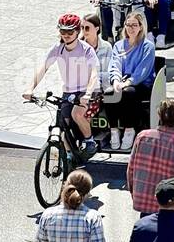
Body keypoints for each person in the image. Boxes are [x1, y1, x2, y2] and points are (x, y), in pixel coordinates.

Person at [23, 13, 101, 159]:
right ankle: (69, 155)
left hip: (87, 90)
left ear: (77, 31)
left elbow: (94, 74)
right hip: (69, 90)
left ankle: (90, 141)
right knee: (60, 122)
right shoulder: (58, 48)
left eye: (70, 32)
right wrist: (30, 88)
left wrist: (88, 93)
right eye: (62, 31)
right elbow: (43, 68)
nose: (66, 35)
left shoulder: (86, 50)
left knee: (76, 114)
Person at [126, 96, 174, 220]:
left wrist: (135, 193)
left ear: (159, 115)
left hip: (146, 204)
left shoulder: (142, 137)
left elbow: (131, 170)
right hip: (173, 207)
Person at [107, 11, 156, 152]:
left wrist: (128, 82)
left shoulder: (147, 46)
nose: (131, 28)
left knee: (128, 92)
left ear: (141, 27)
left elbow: (143, 70)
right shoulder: (118, 45)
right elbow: (114, 64)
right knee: (110, 92)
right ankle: (114, 131)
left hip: (141, 83)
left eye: (134, 25)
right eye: (128, 25)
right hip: (121, 81)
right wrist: (116, 80)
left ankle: (129, 130)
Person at [81, 14, 115, 95]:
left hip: (103, 88)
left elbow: (108, 72)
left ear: (97, 29)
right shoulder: (79, 48)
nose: (84, 31)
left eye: (87, 28)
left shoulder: (107, 47)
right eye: (82, 27)